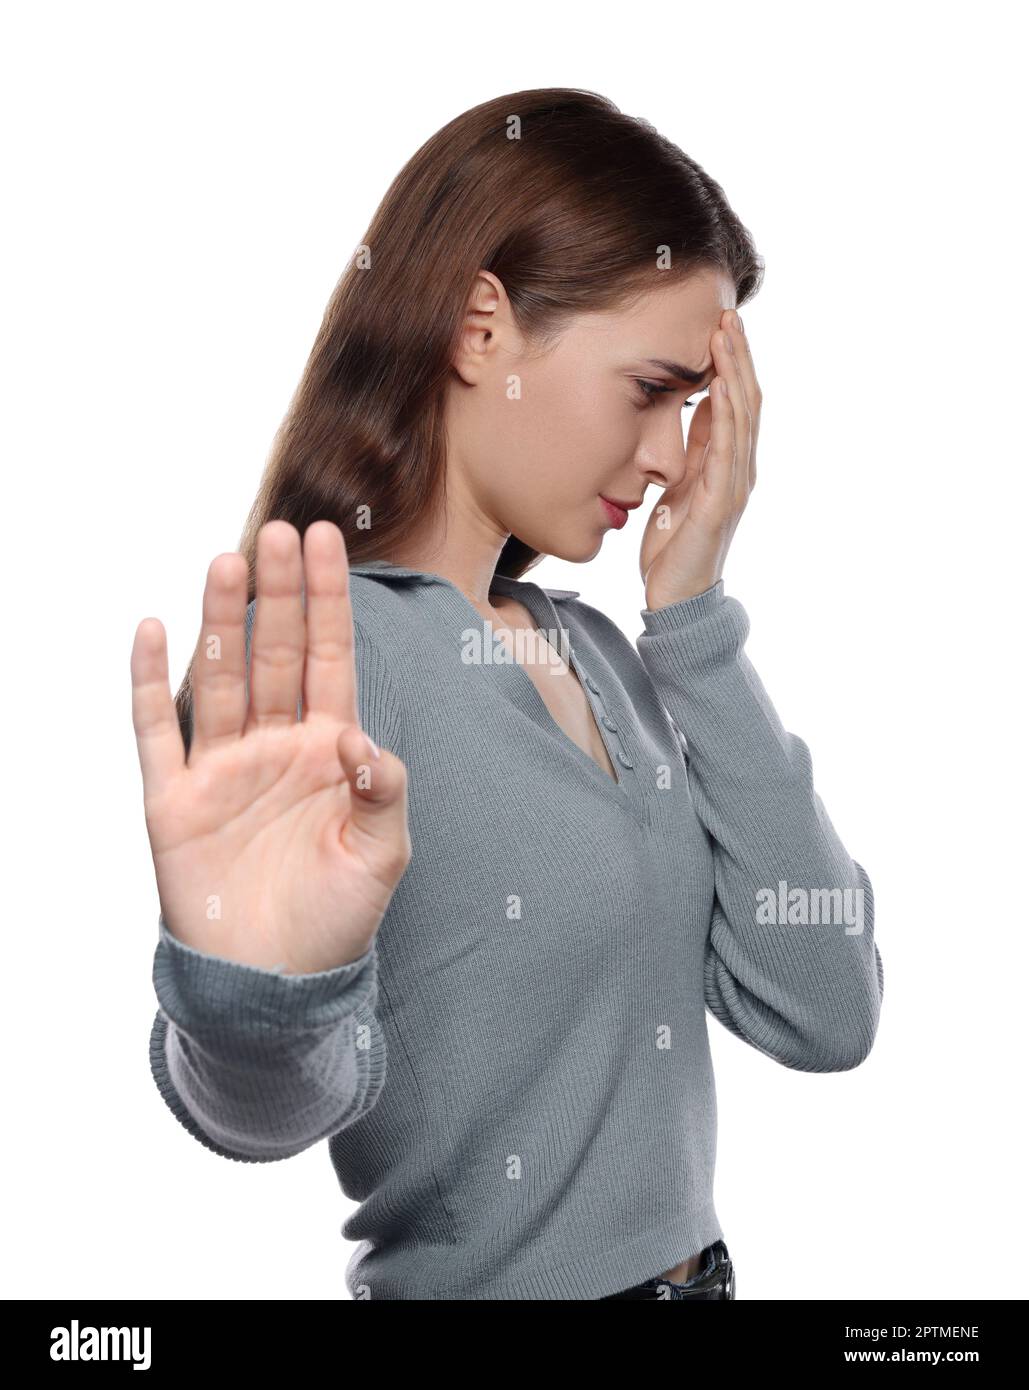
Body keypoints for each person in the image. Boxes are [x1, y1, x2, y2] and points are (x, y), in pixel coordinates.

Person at [131, 87, 884, 1301]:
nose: (670, 459)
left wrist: (693, 616)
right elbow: (264, 1110)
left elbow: (829, 1007)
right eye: (650, 389)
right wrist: (250, 1001)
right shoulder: (329, 652)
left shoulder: (605, 654)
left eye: (694, 410)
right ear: (481, 329)